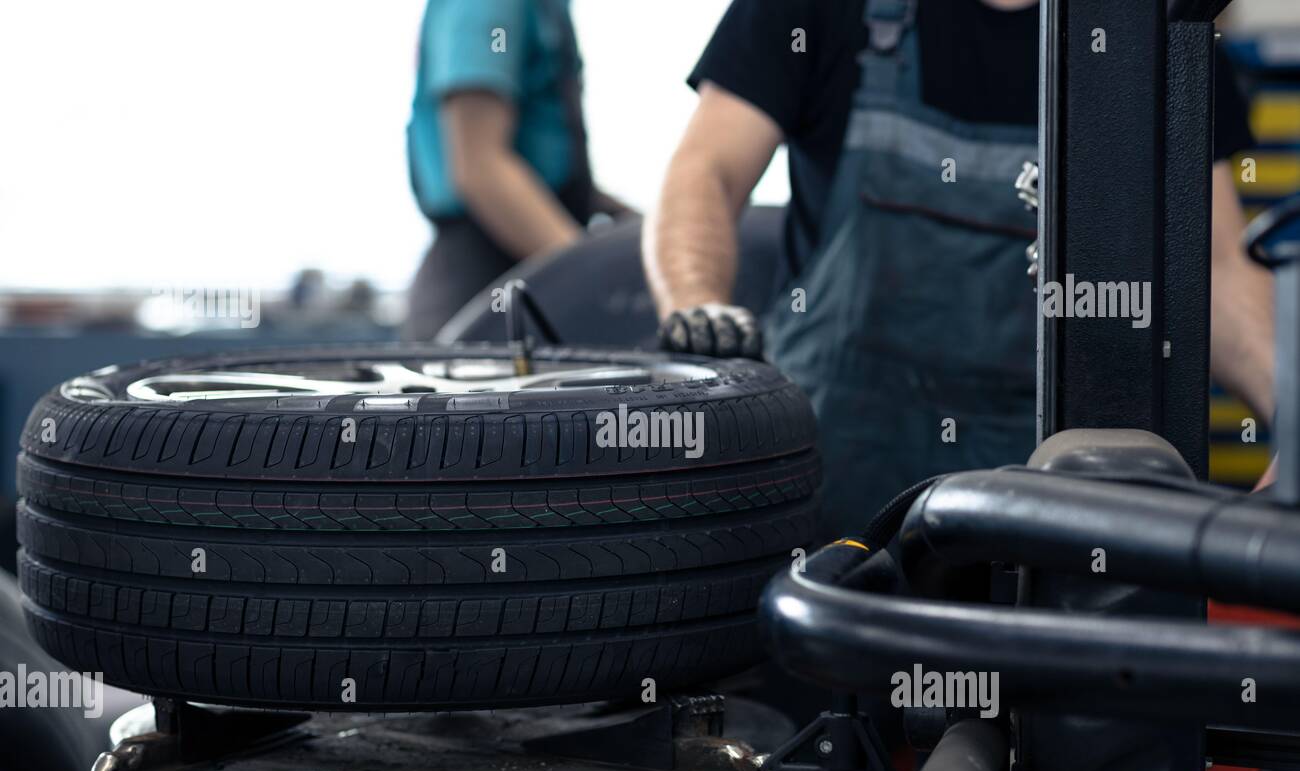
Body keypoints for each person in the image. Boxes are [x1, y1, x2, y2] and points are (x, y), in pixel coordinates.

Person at [644, 0, 1276, 539]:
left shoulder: (1149, 31)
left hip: (1045, 519)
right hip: (826, 499)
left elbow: (1213, 271)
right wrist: (698, 306)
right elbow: (707, 172)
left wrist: (1293, 420)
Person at [404, 0, 627, 340]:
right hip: (487, 274)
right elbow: (481, 169)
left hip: (530, 262)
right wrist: (590, 279)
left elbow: (542, 164)